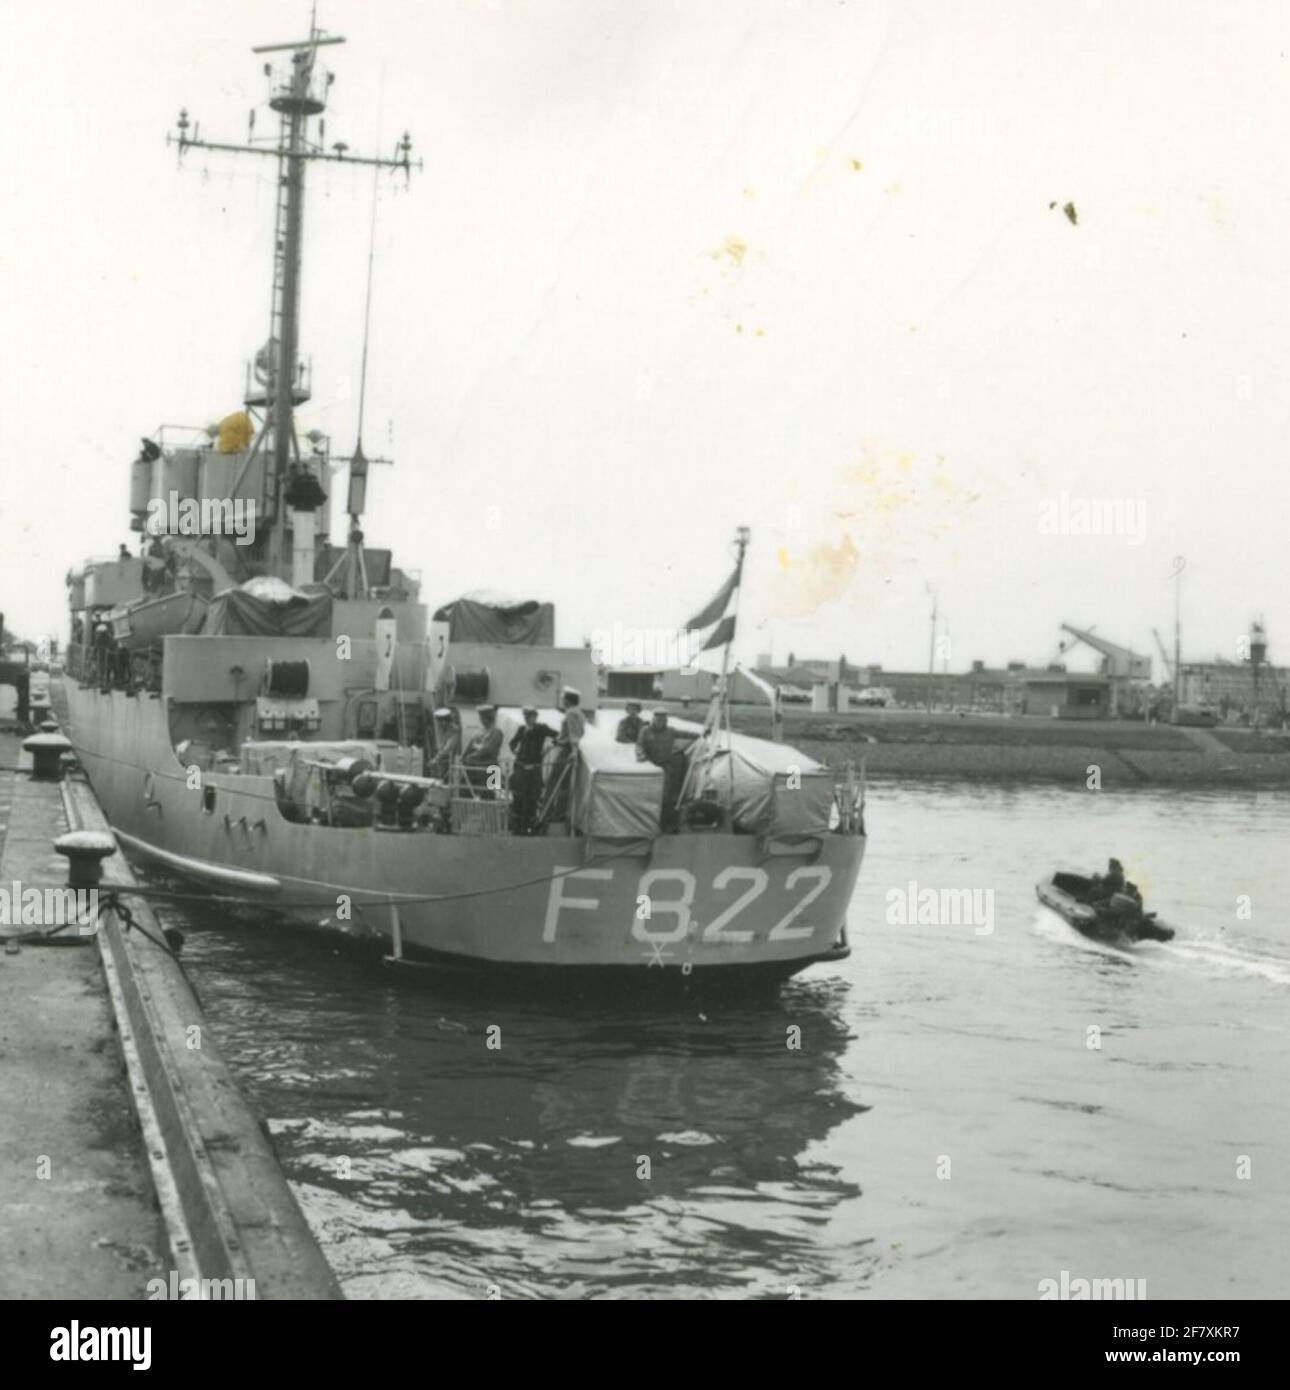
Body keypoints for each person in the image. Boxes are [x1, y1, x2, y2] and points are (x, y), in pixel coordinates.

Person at [509, 706, 558, 833]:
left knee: (532, 796)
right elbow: (512, 743)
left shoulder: (541, 728)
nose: (527, 718)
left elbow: (556, 735)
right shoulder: (522, 729)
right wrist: (516, 751)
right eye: (525, 716)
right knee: (519, 795)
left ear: (535, 717)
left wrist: (549, 748)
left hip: (534, 767)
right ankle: (519, 825)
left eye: (530, 716)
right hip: (521, 766)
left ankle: (530, 825)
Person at [636, 709, 686, 830]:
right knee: (648, 792)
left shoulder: (671, 731)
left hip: (665, 765)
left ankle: (664, 820)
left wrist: (703, 733)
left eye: (663, 720)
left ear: (666, 721)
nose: (660, 722)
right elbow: (639, 745)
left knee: (666, 794)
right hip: (650, 765)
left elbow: (686, 734)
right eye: (658, 719)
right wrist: (642, 757)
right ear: (653, 719)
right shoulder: (645, 730)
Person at [544, 688, 585, 824]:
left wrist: (573, 751)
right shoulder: (579, 713)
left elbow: (574, 735)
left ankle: (547, 814)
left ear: (567, 700)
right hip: (569, 749)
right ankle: (558, 816)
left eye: (563, 699)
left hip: (566, 751)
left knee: (553, 782)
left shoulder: (571, 713)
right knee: (564, 786)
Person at [461, 705, 504, 799]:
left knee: (490, 797)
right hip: (476, 768)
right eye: (480, 717)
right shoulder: (478, 732)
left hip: (491, 768)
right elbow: (469, 747)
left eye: (483, 717)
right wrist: (464, 757)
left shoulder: (496, 732)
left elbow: (487, 749)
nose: (481, 720)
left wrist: (473, 753)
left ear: (489, 718)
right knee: (467, 793)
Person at [427, 707, 460, 781]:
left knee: (447, 780)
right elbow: (443, 745)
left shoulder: (454, 730)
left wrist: (436, 759)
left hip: (452, 761)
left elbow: (448, 748)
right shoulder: (445, 730)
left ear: (444, 720)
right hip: (445, 760)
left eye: (439, 721)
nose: (439, 724)